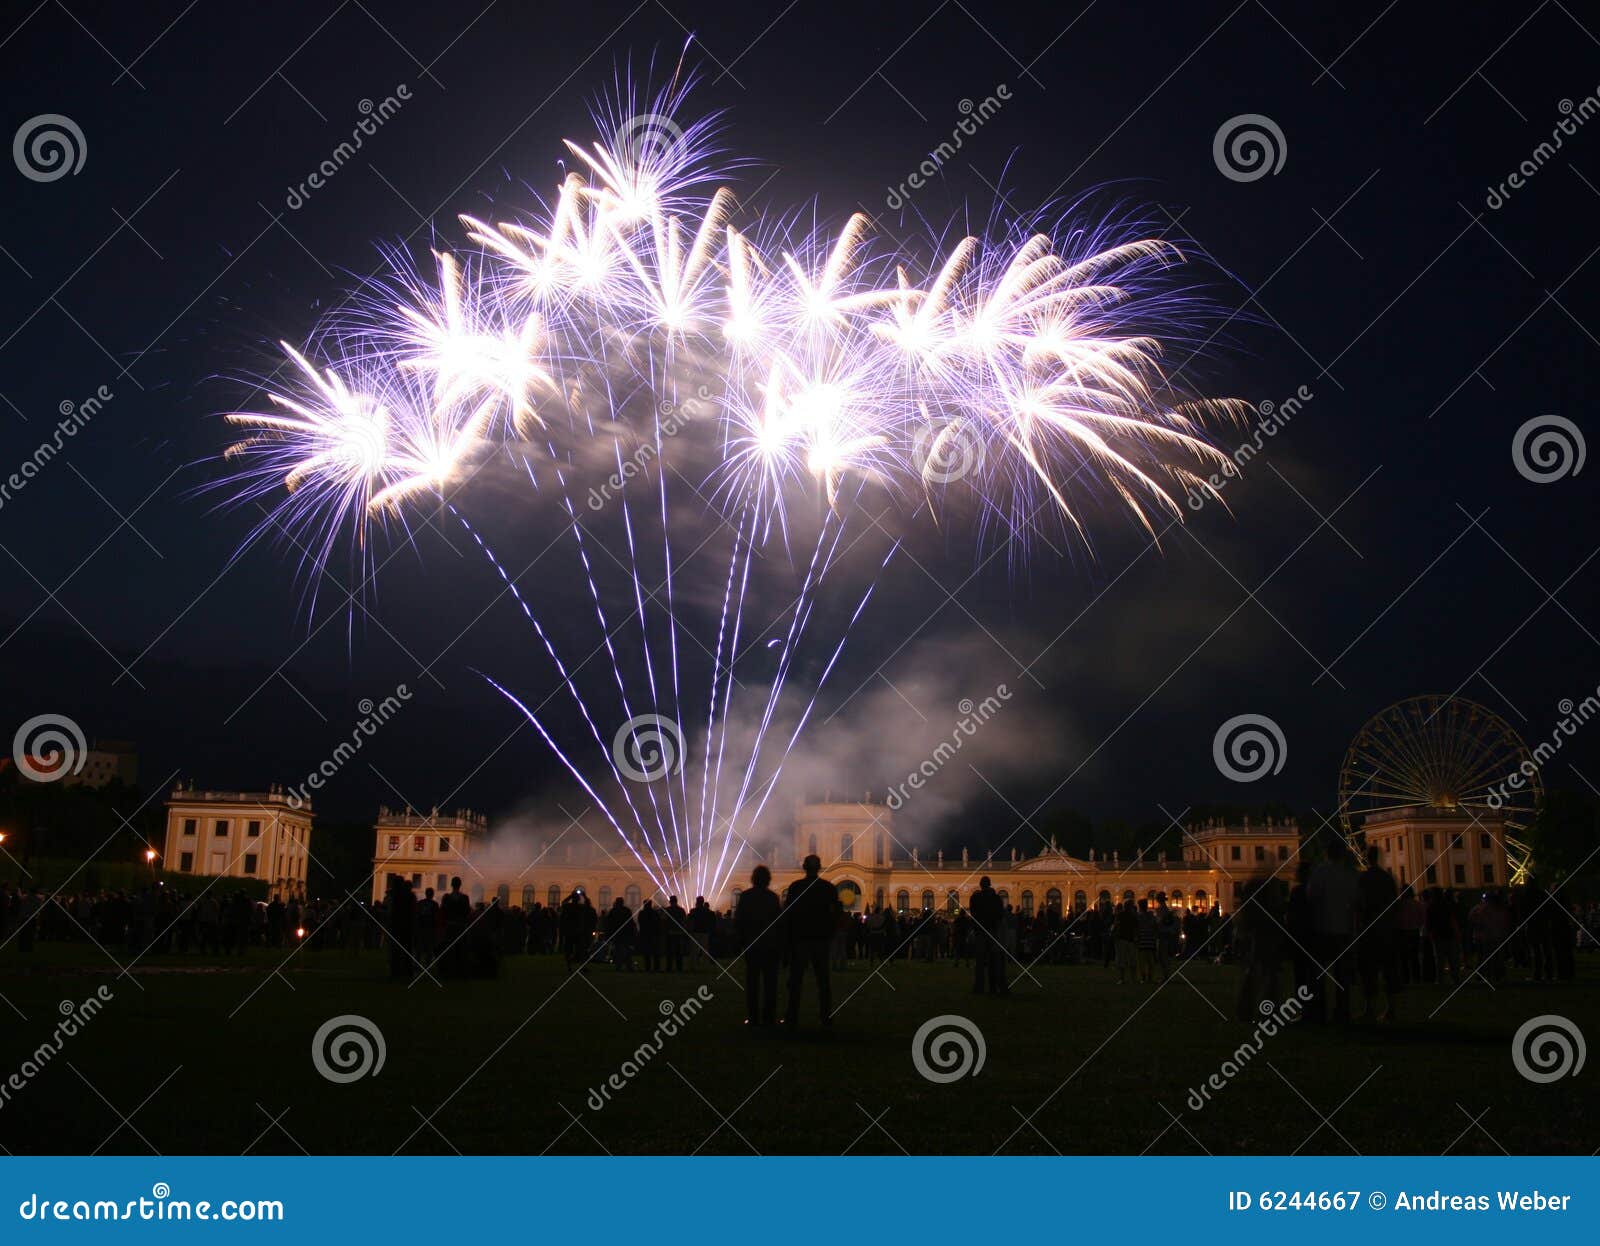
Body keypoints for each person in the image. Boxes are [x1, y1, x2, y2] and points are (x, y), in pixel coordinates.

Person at [781, 854, 840, 1028]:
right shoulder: (827, 888)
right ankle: (825, 1017)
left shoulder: (796, 887)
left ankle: (792, 1016)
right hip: (820, 939)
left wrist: (788, 940)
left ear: (804, 867)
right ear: (819, 867)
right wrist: (829, 933)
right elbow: (835, 913)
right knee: (823, 981)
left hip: (800, 939)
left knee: (796, 980)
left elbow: (788, 915)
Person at [1307, 837, 1360, 1022]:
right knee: (1342, 975)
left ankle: (1320, 1011)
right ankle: (1343, 1011)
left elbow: (1311, 898)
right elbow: (1356, 902)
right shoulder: (1351, 873)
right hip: (1344, 929)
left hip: (1322, 928)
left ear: (1326, 853)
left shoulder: (1320, 872)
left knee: (1319, 974)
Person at [1356, 846, 1399, 1022]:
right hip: (1386, 929)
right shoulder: (1387, 878)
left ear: (1367, 858)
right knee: (1388, 970)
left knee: (1369, 971)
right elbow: (1394, 903)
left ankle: (1369, 1008)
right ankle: (1391, 1008)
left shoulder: (1363, 878)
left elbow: (1358, 903)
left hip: (1369, 929)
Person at [735, 865, 782, 1026]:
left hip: (752, 945)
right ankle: (769, 1017)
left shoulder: (746, 896)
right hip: (770, 946)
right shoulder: (772, 898)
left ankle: (753, 1017)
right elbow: (778, 923)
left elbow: (740, 921)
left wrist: (741, 941)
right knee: (770, 983)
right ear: (768, 880)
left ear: (753, 879)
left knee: (752, 982)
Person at [968, 876, 1006, 995]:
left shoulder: (975, 897)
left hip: (980, 931)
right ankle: (993, 988)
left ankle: (979, 988)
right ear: (989, 884)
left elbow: (973, 914)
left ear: (981, 885)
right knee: (994, 961)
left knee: (979, 962)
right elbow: (1000, 915)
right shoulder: (996, 898)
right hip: (992, 931)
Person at [440, 876, 473, 976]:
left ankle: (449, 970)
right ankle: (460, 970)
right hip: (460, 926)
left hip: (450, 926)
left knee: (449, 949)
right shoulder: (464, 898)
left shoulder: (446, 897)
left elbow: (443, 911)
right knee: (461, 949)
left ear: (451, 885)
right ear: (460, 885)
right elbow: (467, 912)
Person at [414, 885, 438, 968]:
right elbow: (436, 917)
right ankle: (427, 964)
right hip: (429, 928)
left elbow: (416, 915)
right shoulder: (434, 904)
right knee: (428, 947)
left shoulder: (420, 903)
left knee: (420, 948)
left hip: (422, 927)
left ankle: (418, 963)